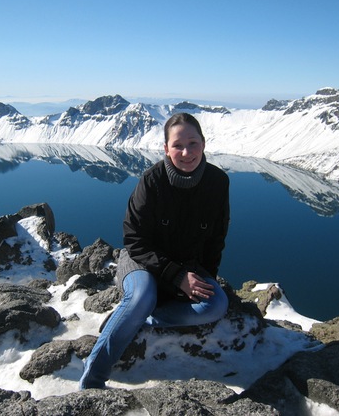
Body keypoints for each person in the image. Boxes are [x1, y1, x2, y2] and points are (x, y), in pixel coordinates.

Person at [79, 112, 231, 389]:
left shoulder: (218, 182)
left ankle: (138, 319)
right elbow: (134, 239)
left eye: (193, 143)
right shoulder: (152, 181)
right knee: (142, 296)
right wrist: (177, 276)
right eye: (177, 145)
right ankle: (92, 380)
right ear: (166, 149)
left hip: (184, 263)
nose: (186, 152)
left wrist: (204, 279)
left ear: (203, 143)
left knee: (216, 305)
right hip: (141, 260)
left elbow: (215, 239)